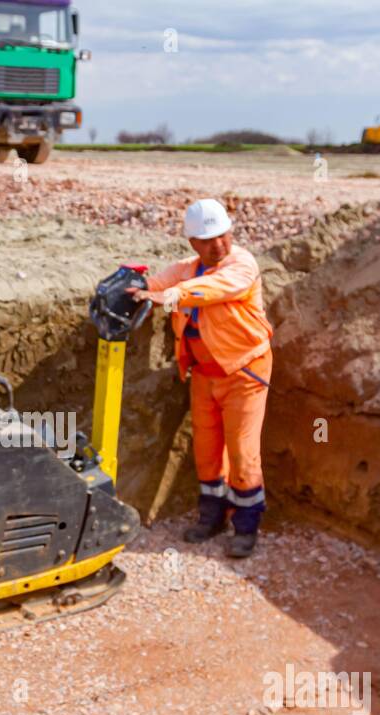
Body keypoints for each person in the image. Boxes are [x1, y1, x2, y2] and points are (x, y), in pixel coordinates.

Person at [132, 199, 273, 559]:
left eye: (223, 236)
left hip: (244, 370)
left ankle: (246, 526)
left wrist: (170, 295)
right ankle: (212, 517)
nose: (218, 245)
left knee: (243, 453)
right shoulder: (186, 269)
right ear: (192, 243)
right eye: (208, 240)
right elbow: (153, 283)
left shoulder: (241, 265)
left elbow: (214, 289)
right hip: (204, 374)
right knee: (207, 452)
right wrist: (132, 287)